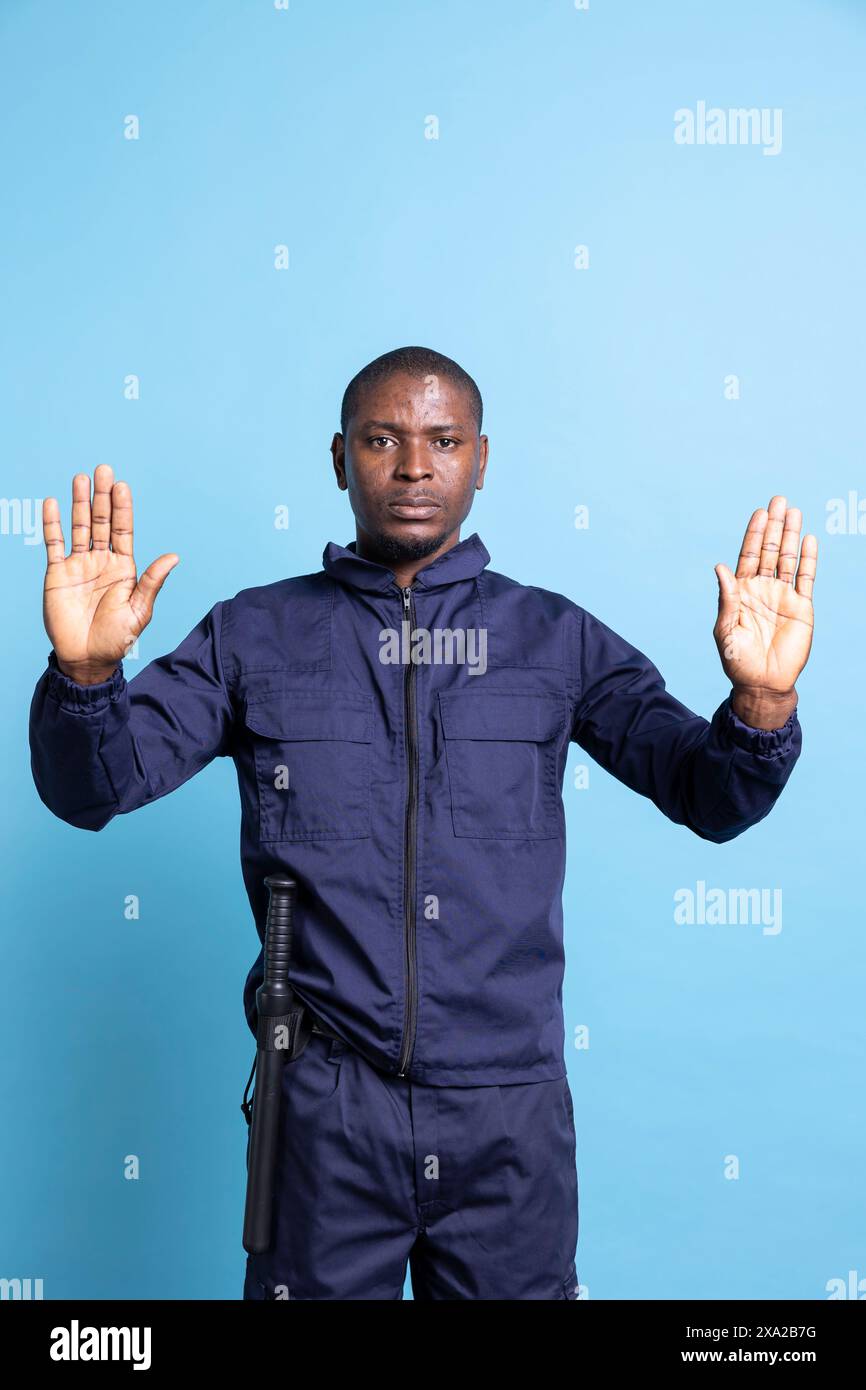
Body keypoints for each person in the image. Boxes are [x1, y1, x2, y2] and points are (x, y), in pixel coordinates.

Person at [28, 345, 817, 1300]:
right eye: (382, 440)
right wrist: (86, 678)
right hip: (324, 1112)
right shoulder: (253, 635)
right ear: (339, 459)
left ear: (481, 460)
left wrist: (762, 703)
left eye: (443, 441)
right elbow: (92, 790)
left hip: (508, 1112)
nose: (413, 467)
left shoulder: (554, 639)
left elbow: (710, 797)